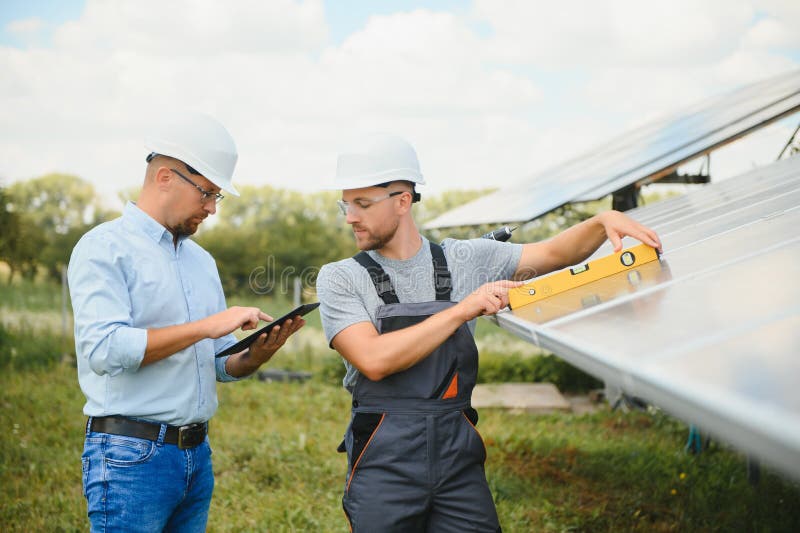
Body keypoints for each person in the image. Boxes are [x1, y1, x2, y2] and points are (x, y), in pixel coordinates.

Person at [316, 133, 662, 532]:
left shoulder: (466, 258)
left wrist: (602, 223)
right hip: (383, 455)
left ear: (403, 200)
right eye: (346, 204)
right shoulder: (341, 277)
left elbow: (554, 254)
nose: (350, 217)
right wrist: (463, 309)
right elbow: (374, 361)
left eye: (362, 204)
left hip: (456, 452)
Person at [68, 111, 305, 532]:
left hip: (196, 457)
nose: (213, 208)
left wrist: (254, 356)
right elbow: (104, 351)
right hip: (130, 458)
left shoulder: (201, 261)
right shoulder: (103, 248)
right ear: (165, 177)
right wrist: (205, 327)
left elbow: (217, 363)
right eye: (207, 193)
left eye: (218, 196)